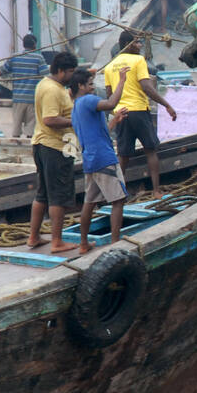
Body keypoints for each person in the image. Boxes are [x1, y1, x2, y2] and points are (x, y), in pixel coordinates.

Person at [102, 30, 178, 196]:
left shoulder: (109, 66)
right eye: (137, 43)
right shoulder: (138, 60)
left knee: (123, 155)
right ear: (127, 44)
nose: (140, 45)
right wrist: (166, 104)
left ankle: (118, 193)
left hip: (121, 114)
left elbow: (109, 96)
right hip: (138, 111)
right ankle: (156, 190)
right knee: (150, 151)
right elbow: (146, 86)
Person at [69, 66, 129, 255]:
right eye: (90, 84)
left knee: (90, 202)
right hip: (104, 158)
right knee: (118, 200)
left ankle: (83, 243)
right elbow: (111, 103)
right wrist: (122, 80)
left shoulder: (76, 108)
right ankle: (115, 243)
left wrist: (114, 122)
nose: (93, 87)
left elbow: (96, 132)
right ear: (81, 86)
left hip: (90, 161)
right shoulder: (88, 100)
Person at [27, 51, 79, 253]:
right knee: (58, 194)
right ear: (60, 71)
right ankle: (57, 241)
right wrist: (75, 121)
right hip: (54, 147)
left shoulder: (47, 84)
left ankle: (33, 237)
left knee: (43, 194)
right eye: (70, 72)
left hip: (44, 144)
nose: (72, 77)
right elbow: (50, 119)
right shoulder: (52, 90)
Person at [0, 34, 49, 137]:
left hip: (17, 98)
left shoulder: (15, 57)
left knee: (16, 128)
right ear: (35, 45)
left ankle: (15, 145)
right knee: (31, 129)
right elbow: (46, 76)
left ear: (23, 44)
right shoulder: (39, 58)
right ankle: (29, 148)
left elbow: (2, 71)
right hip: (32, 99)